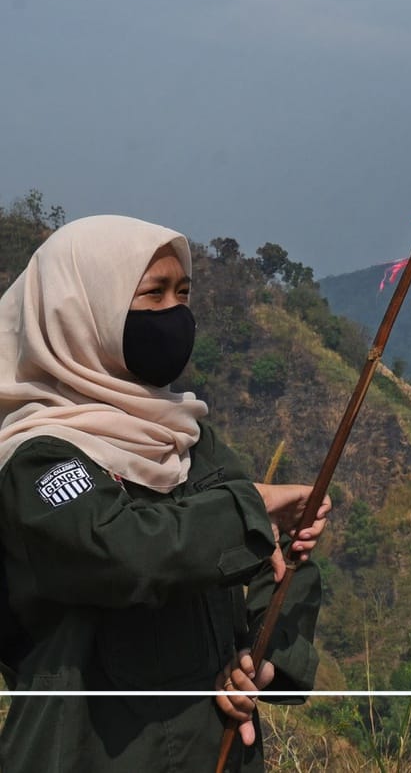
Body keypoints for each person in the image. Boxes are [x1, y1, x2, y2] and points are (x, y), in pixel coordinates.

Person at [0, 215, 331, 771]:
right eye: (152, 294)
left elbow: (269, 565)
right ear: (82, 314)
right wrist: (251, 507)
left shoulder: (182, 437)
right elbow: (124, 552)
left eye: (183, 293)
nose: (174, 313)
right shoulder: (41, 457)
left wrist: (260, 657)